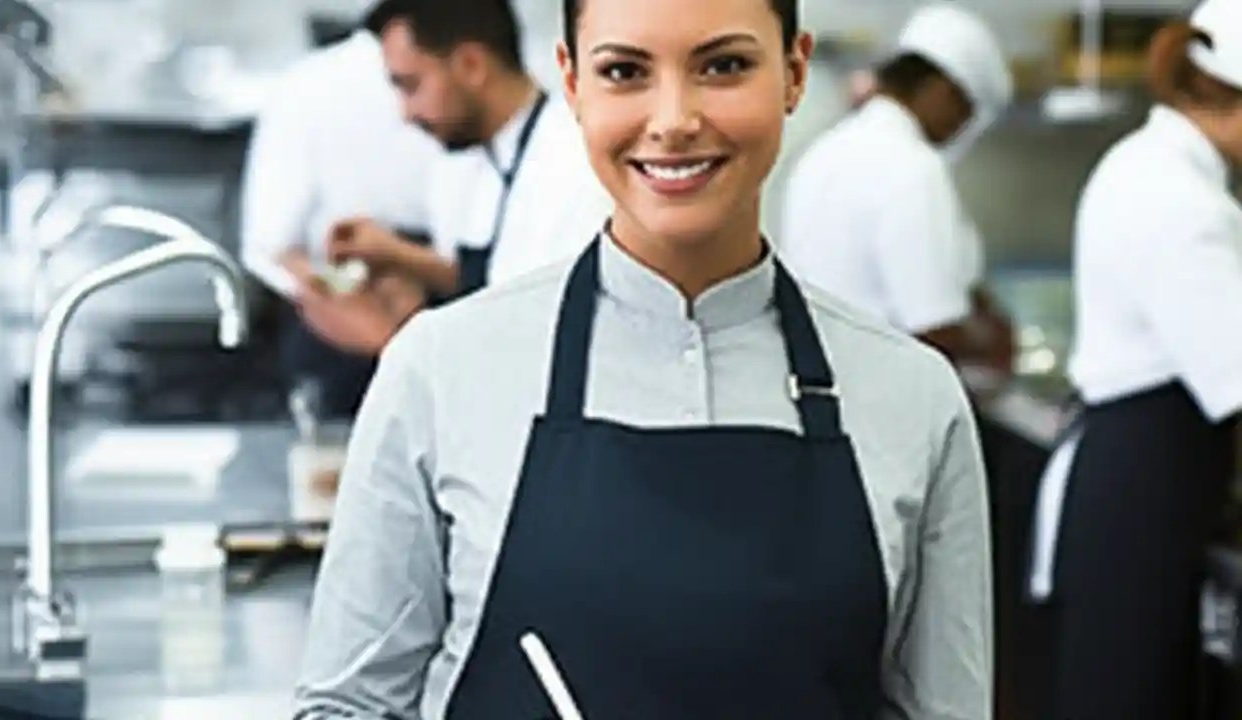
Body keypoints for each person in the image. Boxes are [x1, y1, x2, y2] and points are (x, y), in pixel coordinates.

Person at [295, 0, 991, 717]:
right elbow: (348, 707)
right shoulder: (440, 370)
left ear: (793, 72)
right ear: (572, 84)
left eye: (724, 66)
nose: (674, 119)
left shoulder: (914, 397)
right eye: (624, 71)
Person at [1027, 3, 1242, 718]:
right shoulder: (1181, 202)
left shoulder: (1153, 166)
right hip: (1146, 483)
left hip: (1137, 472)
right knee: (1129, 695)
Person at [779, 4, 1015, 375]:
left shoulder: (823, 153)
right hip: (885, 396)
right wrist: (994, 341)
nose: (959, 130)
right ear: (941, 90)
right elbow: (935, 325)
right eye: (964, 111)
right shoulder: (913, 165)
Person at [324, 0, 611, 305]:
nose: (406, 113)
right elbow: (488, 279)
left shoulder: (571, 162)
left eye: (411, 85)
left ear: (471, 65)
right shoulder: (478, 157)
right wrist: (395, 256)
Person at [240, 0, 443, 416]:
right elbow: (275, 250)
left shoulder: (306, 83)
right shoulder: (309, 85)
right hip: (349, 327)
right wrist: (357, 316)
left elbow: (270, 244)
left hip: (432, 321)